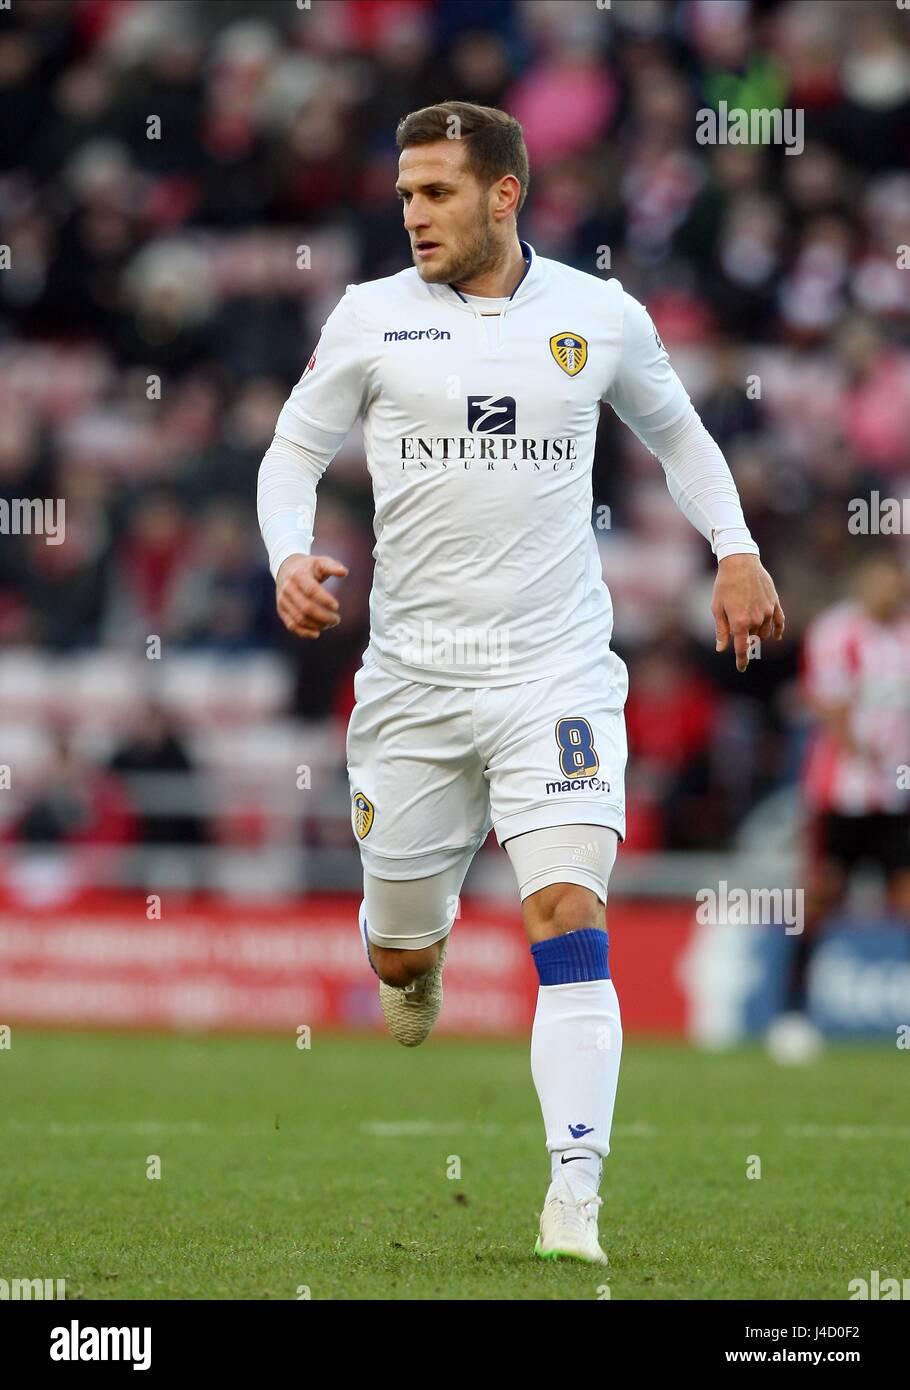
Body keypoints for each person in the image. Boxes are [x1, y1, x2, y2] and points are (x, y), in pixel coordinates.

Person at [257, 101, 784, 1265]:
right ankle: (417, 956)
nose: (413, 214)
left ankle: (573, 1196)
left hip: (554, 677)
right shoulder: (369, 318)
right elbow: (291, 451)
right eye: (404, 194)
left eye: (437, 192)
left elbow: (682, 436)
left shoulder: (598, 318)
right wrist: (287, 554)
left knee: (565, 914)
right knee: (396, 949)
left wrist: (736, 549)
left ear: (504, 193)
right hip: (411, 686)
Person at [770, 550, 910, 1062]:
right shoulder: (835, 632)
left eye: (894, 583)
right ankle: (792, 1012)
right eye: (877, 582)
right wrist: (868, 749)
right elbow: (831, 709)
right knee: (821, 898)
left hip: (895, 798)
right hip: (838, 795)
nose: (887, 592)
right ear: (861, 584)